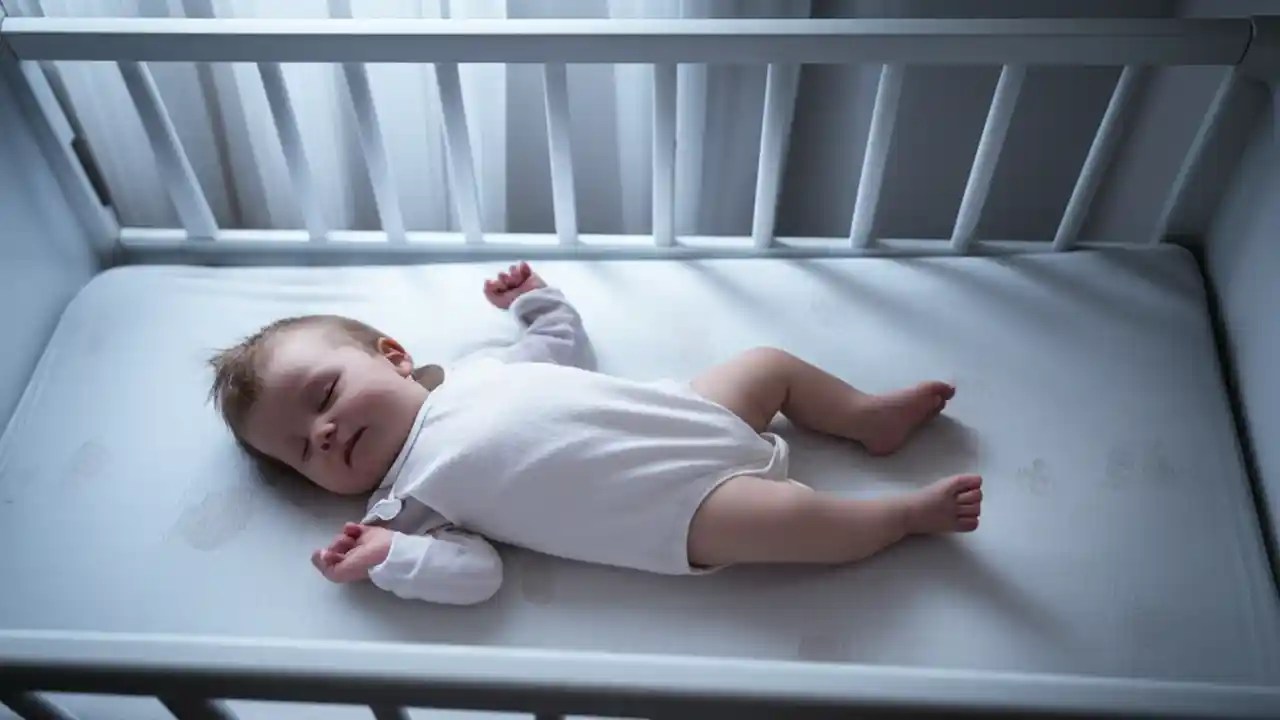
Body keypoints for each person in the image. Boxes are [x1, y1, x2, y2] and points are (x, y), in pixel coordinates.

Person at [208, 261, 982, 605]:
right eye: (302, 450)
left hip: (681, 410)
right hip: (674, 510)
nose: (325, 431)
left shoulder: (479, 370)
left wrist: (535, 301)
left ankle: (864, 417)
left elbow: (561, 348)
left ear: (395, 357)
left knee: (767, 366)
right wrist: (392, 558)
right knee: (793, 520)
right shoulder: (405, 506)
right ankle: (898, 517)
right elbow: (475, 576)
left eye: (325, 396)